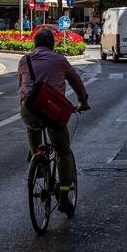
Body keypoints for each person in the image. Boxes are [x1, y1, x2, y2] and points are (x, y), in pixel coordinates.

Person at [18, 27, 90, 214]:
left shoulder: (24, 60)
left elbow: (21, 87)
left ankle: (37, 158)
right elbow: (76, 82)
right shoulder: (59, 60)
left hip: (30, 108)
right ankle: (65, 195)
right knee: (63, 152)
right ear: (53, 44)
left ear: (35, 44)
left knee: (32, 128)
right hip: (53, 110)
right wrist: (82, 101)